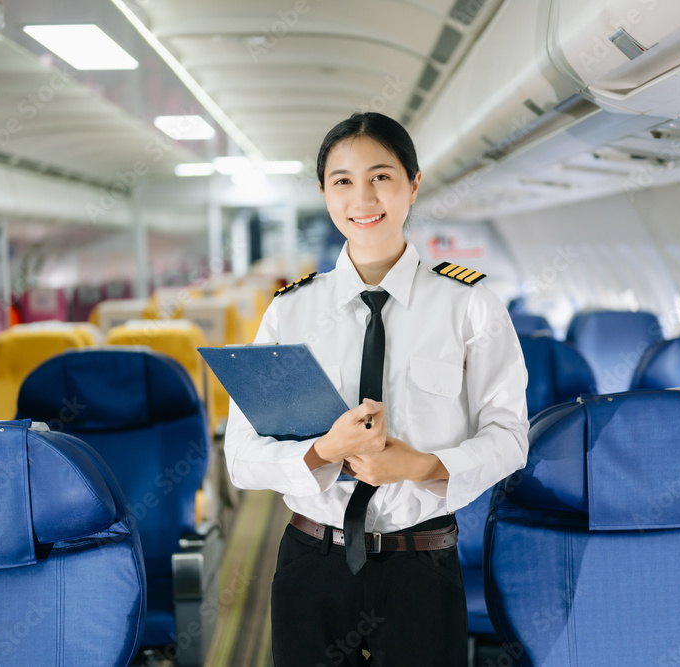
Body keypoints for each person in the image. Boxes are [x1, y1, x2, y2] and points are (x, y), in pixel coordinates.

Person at [224, 111, 529, 666]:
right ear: (324, 193)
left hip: (422, 562)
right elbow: (242, 458)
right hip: (311, 562)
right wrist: (323, 453)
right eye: (342, 181)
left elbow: (510, 438)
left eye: (381, 177)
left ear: (413, 184)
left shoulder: (468, 305)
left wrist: (422, 466)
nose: (362, 197)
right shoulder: (290, 312)